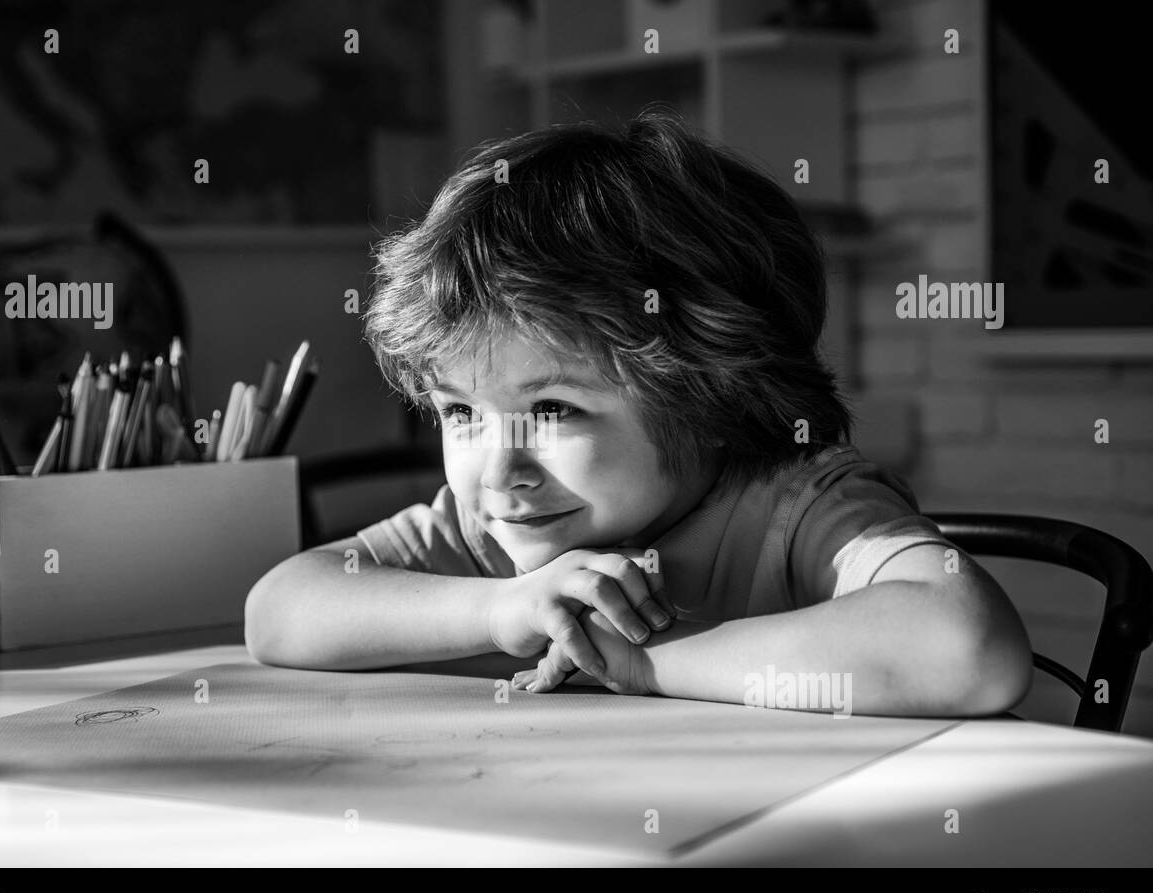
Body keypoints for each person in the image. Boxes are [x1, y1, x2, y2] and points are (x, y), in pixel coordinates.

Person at [246, 112, 1032, 717]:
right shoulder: (495, 533)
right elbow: (278, 609)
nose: (498, 471)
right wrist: (497, 609)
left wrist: (645, 662)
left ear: (712, 393)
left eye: (551, 408)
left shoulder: (797, 507)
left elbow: (968, 645)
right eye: (460, 414)